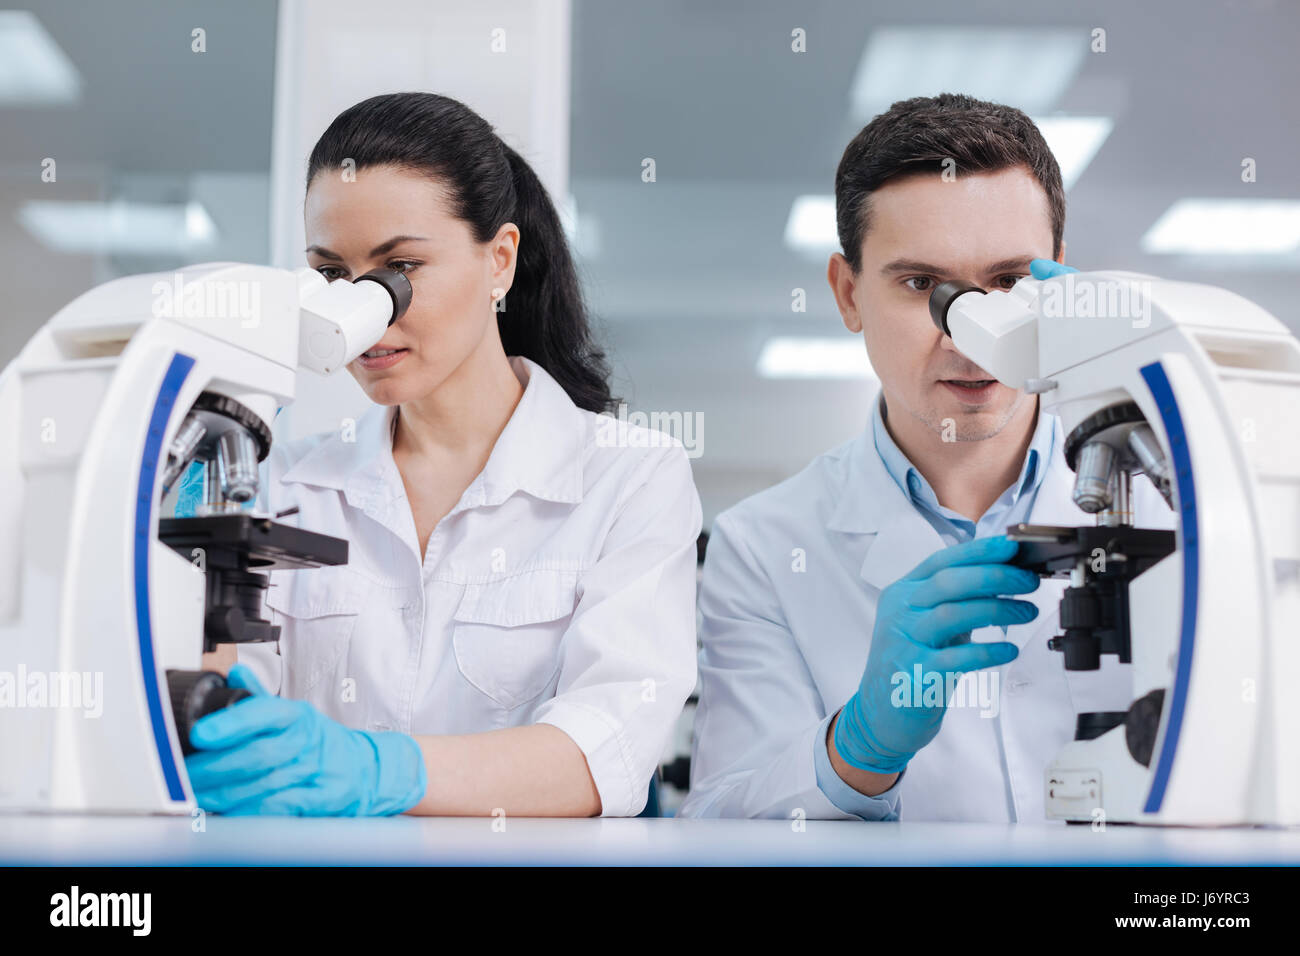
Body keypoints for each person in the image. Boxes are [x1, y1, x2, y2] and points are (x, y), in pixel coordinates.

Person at [183, 92, 702, 818]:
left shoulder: (629, 477)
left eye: (399, 268)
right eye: (331, 276)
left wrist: (379, 770)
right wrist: (188, 561)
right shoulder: (283, 484)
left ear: (499, 261)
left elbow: (604, 750)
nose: (363, 316)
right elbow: (225, 722)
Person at [679, 93, 1174, 822]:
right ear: (848, 294)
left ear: (1059, 280)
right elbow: (720, 826)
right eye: (923, 286)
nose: (973, 336)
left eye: (1010, 283)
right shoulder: (765, 547)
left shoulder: (1175, 496)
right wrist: (858, 750)